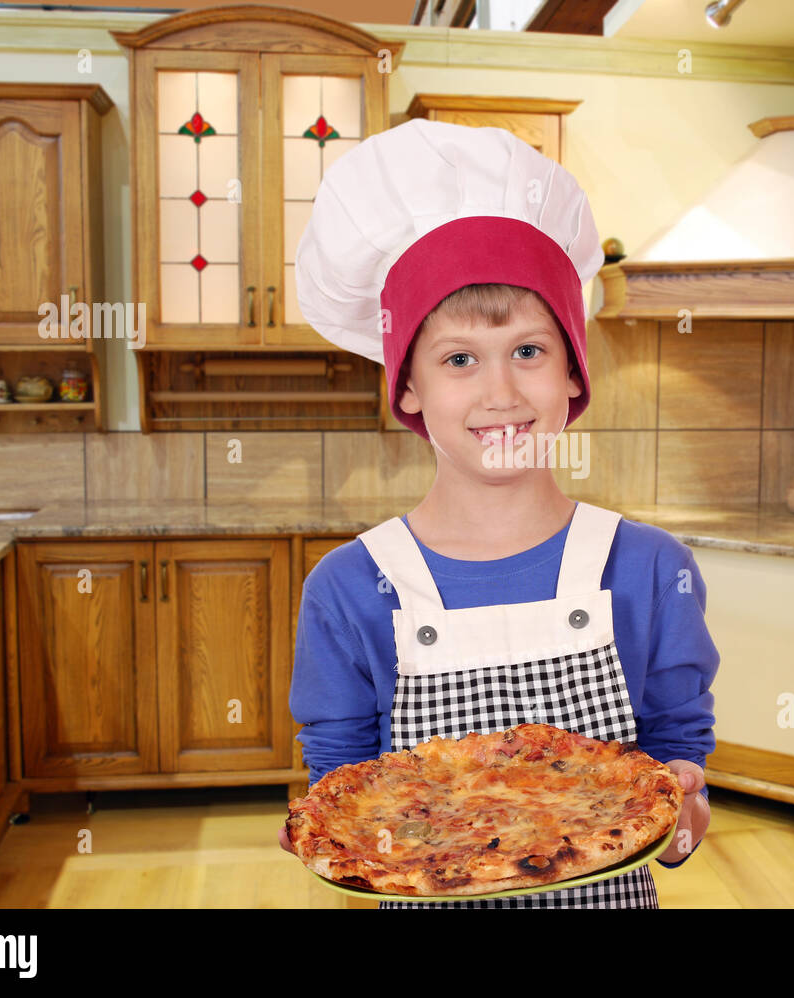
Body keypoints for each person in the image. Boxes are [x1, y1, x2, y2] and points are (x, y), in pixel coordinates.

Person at [279, 118, 719, 908]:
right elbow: (341, 800)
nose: (501, 395)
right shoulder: (349, 588)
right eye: (458, 360)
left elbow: (678, 804)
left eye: (529, 350)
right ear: (407, 387)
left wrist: (682, 815)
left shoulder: (653, 570)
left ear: (574, 373)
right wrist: (322, 830)